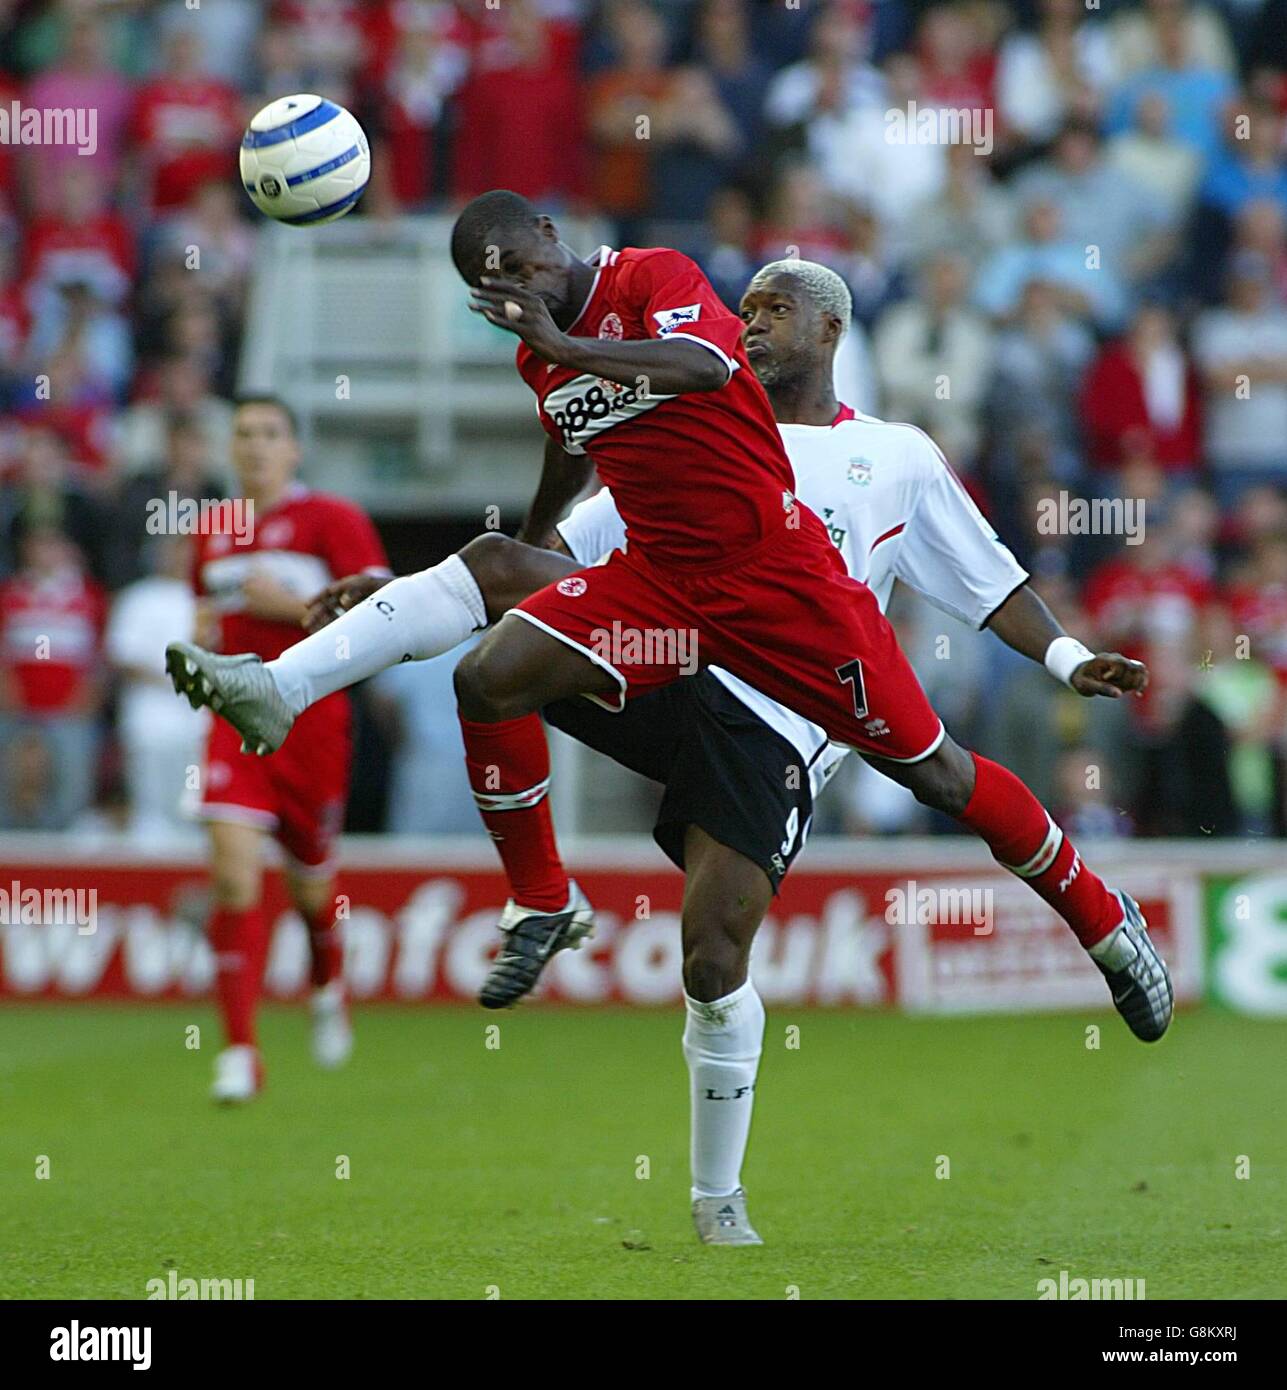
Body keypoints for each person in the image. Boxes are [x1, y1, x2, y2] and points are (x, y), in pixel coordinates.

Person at [168, 258, 1170, 1241]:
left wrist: (1070, 655)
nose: (754, 320)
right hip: (679, 663)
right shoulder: (686, 437)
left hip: (789, 711)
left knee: (722, 944)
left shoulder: (895, 455)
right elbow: (560, 557)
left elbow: (992, 585)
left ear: (830, 332)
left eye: (776, 309)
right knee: (494, 634)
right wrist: (389, 597)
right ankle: (521, 876)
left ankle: (1100, 926)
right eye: (745, 306)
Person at [179, 396, 389, 1103]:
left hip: (311, 721)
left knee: (310, 888)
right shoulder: (211, 530)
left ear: (294, 449)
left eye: (270, 434)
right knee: (234, 879)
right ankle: (239, 1052)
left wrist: (292, 608)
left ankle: (326, 984)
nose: (255, 446)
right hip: (234, 722)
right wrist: (206, 634)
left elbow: (381, 615)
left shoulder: (334, 520)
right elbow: (204, 618)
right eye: (242, 434)